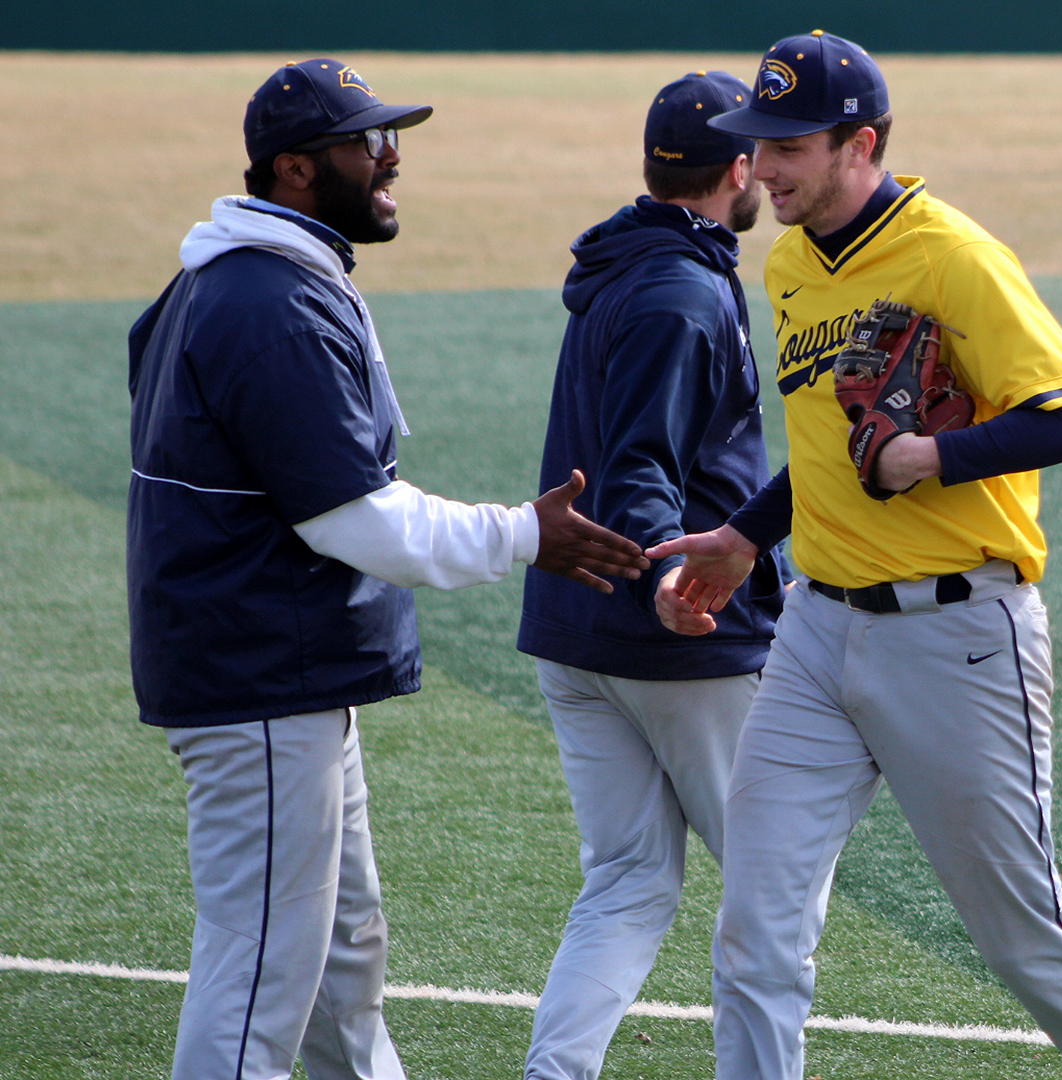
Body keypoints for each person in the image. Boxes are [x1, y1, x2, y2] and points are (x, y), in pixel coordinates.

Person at [647, 30, 1062, 1080]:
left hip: (958, 636)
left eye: (789, 146)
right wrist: (742, 537)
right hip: (814, 635)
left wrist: (934, 456)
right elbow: (830, 449)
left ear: (861, 144)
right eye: (757, 144)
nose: (762, 169)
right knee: (756, 927)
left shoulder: (954, 256)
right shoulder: (790, 264)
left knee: (1022, 928)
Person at [126, 59, 647, 1080]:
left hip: (277, 670)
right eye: (368, 141)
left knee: (341, 955)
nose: (392, 156)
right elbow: (358, 524)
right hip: (260, 678)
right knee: (261, 974)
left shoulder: (234, 279)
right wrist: (525, 535)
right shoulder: (270, 305)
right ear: (295, 169)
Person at [513, 71, 784, 1080]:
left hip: (577, 634)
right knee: (771, 893)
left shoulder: (629, 262)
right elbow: (639, 465)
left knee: (628, 880)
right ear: (738, 169)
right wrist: (665, 583)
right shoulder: (682, 290)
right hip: (675, 639)